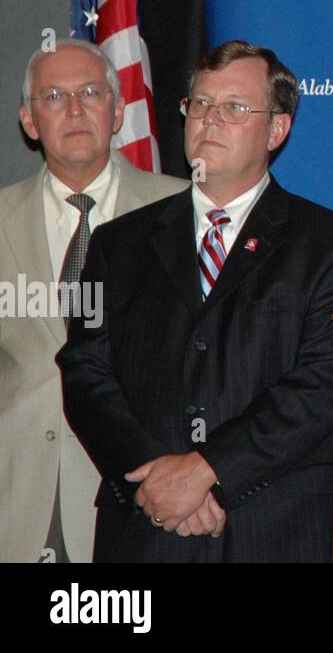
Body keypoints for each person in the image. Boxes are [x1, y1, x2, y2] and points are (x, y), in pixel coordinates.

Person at [58, 40, 333, 562]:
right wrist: (155, 477)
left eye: (234, 108)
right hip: (145, 526)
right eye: (200, 104)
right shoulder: (117, 244)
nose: (210, 120)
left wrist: (207, 470)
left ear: (277, 129)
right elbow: (85, 372)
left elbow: (325, 383)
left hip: (272, 530)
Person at [0, 39, 187, 563]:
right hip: (16, 498)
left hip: (140, 501)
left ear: (119, 109)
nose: (76, 110)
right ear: (28, 121)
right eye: (54, 96)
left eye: (90, 92)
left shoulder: (182, 213)